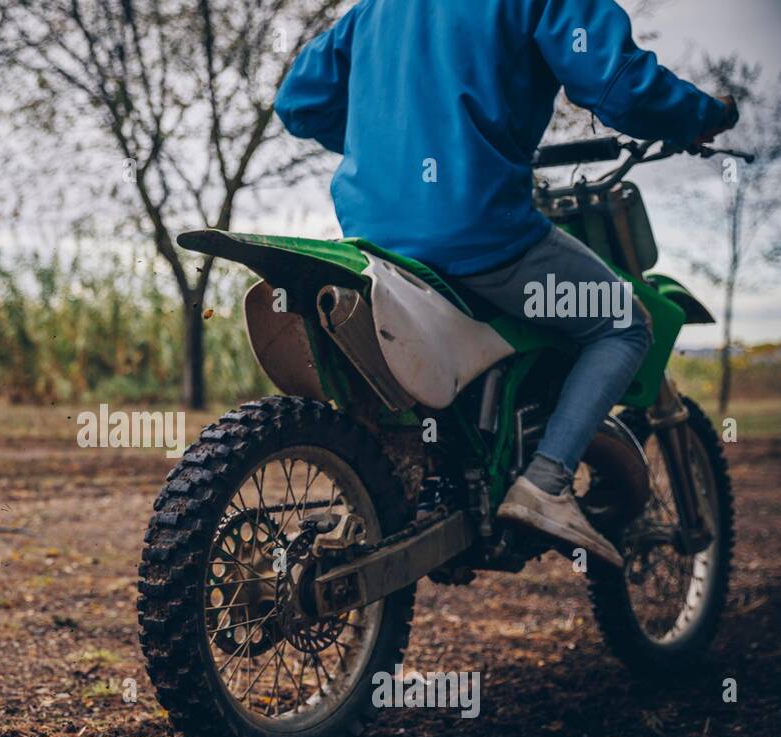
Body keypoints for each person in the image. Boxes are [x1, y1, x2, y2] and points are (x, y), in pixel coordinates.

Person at [273, 0, 735, 567]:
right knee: (621, 320)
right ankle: (546, 480)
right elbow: (619, 86)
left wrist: (397, 139)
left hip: (374, 232)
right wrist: (701, 116)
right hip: (477, 228)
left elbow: (298, 101)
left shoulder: (374, 9)